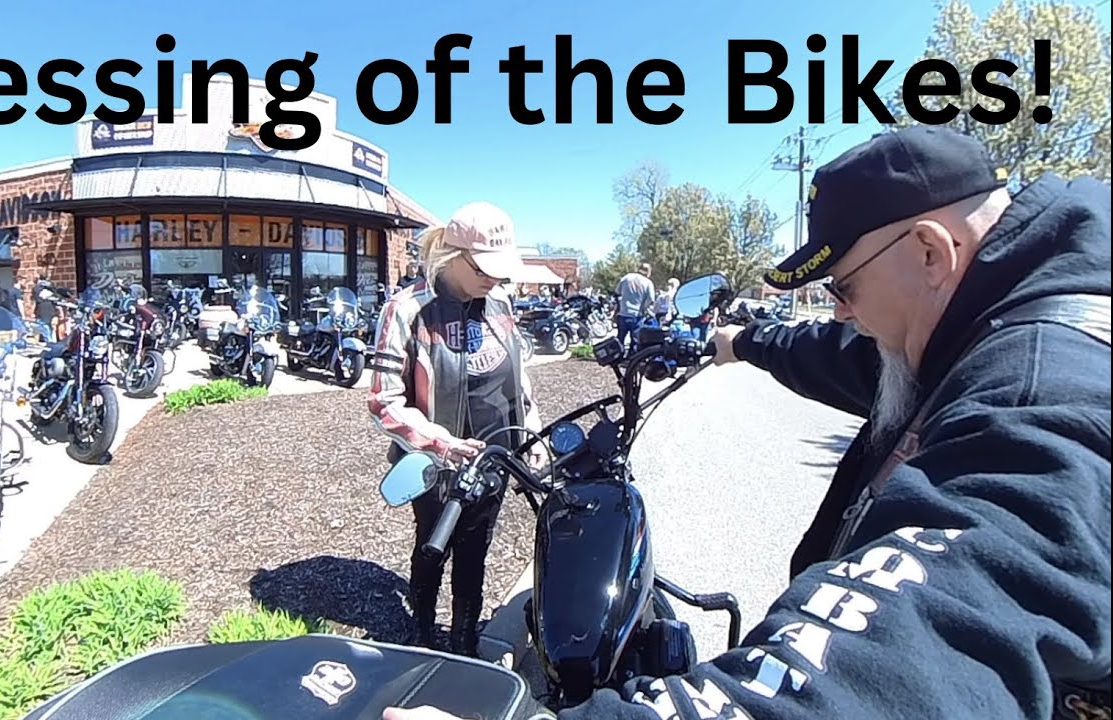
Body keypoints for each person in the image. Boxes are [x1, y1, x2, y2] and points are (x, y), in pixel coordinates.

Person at [383, 126, 1111, 719]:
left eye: (844, 287)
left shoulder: (1040, 391)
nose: (843, 312)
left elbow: (889, 661)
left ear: (930, 250)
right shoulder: (992, 315)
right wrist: (738, 343)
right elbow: (859, 358)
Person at [367, 201, 548, 658]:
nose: (494, 279)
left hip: (495, 459)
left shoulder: (500, 304)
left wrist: (532, 430)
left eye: (500, 270)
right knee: (431, 547)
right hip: (434, 465)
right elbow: (383, 402)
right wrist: (441, 443)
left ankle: (465, 640)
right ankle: (423, 631)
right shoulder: (407, 310)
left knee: (475, 552)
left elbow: (518, 377)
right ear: (453, 255)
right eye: (484, 269)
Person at [615, 263, 655, 351]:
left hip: (623, 313)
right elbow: (651, 299)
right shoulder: (648, 283)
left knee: (620, 339)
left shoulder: (627, 278)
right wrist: (644, 308)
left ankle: (617, 357)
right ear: (648, 272)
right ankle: (631, 360)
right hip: (636, 315)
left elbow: (617, 292)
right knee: (635, 340)